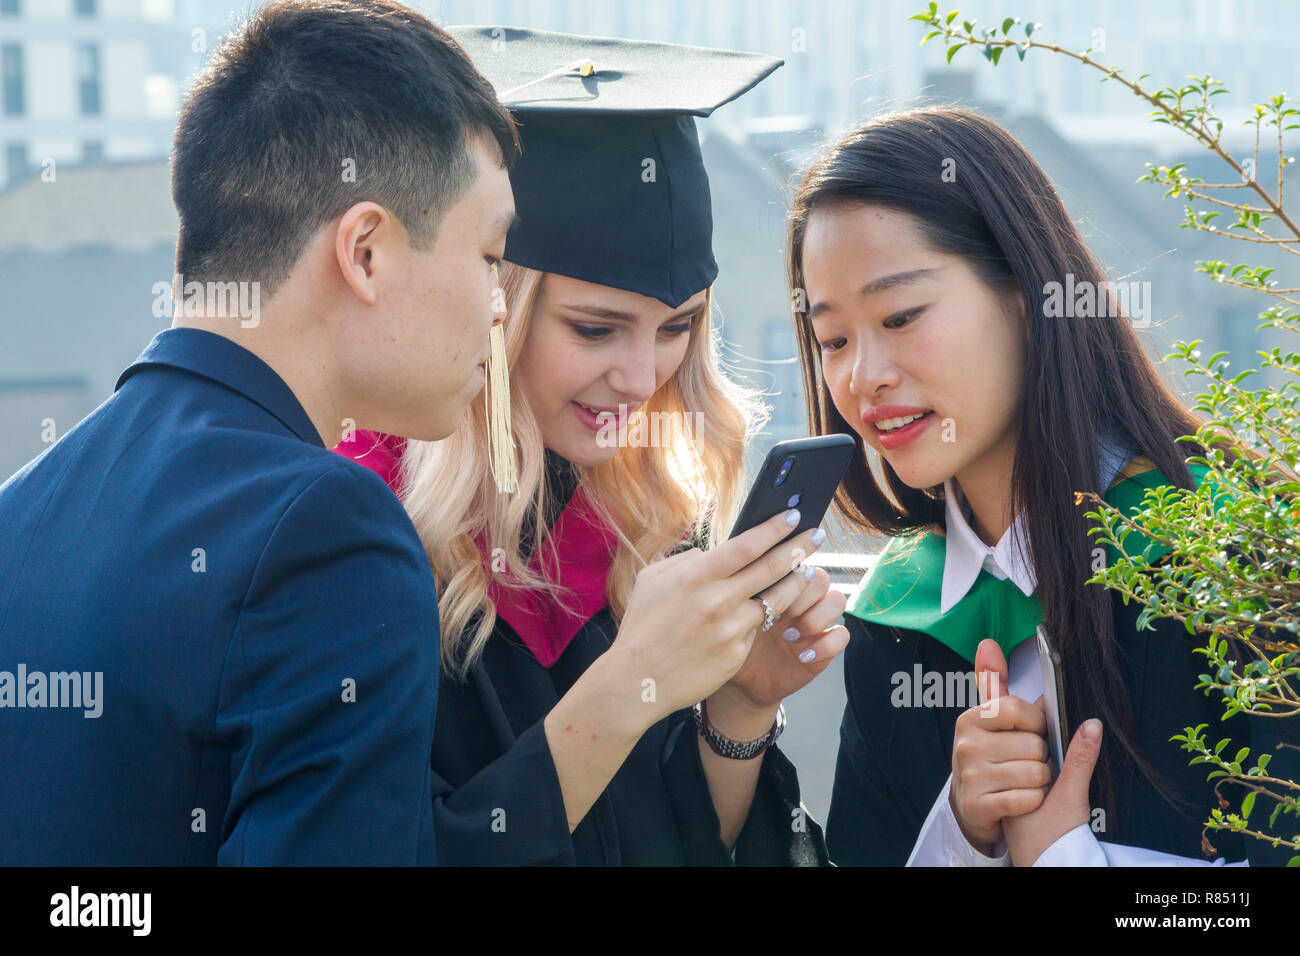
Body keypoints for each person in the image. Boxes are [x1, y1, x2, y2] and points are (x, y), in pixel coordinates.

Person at [0, 0, 518, 865]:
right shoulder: (328, 533)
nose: (500, 307)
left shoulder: (22, 511)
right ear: (365, 252)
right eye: (492, 258)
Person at [335, 28, 844, 865]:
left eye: (676, 329)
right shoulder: (367, 532)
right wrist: (628, 681)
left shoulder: (645, 530)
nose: (643, 377)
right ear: (500, 301)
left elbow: (688, 848)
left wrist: (743, 712)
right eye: (596, 328)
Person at [785, 107, 1299, 866]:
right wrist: (963, 834)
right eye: (833, 340)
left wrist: (1065, 859)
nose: (863, 377)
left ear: (1027, 297)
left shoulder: (1235, 558)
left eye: (900, 316)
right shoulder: (900, 617)